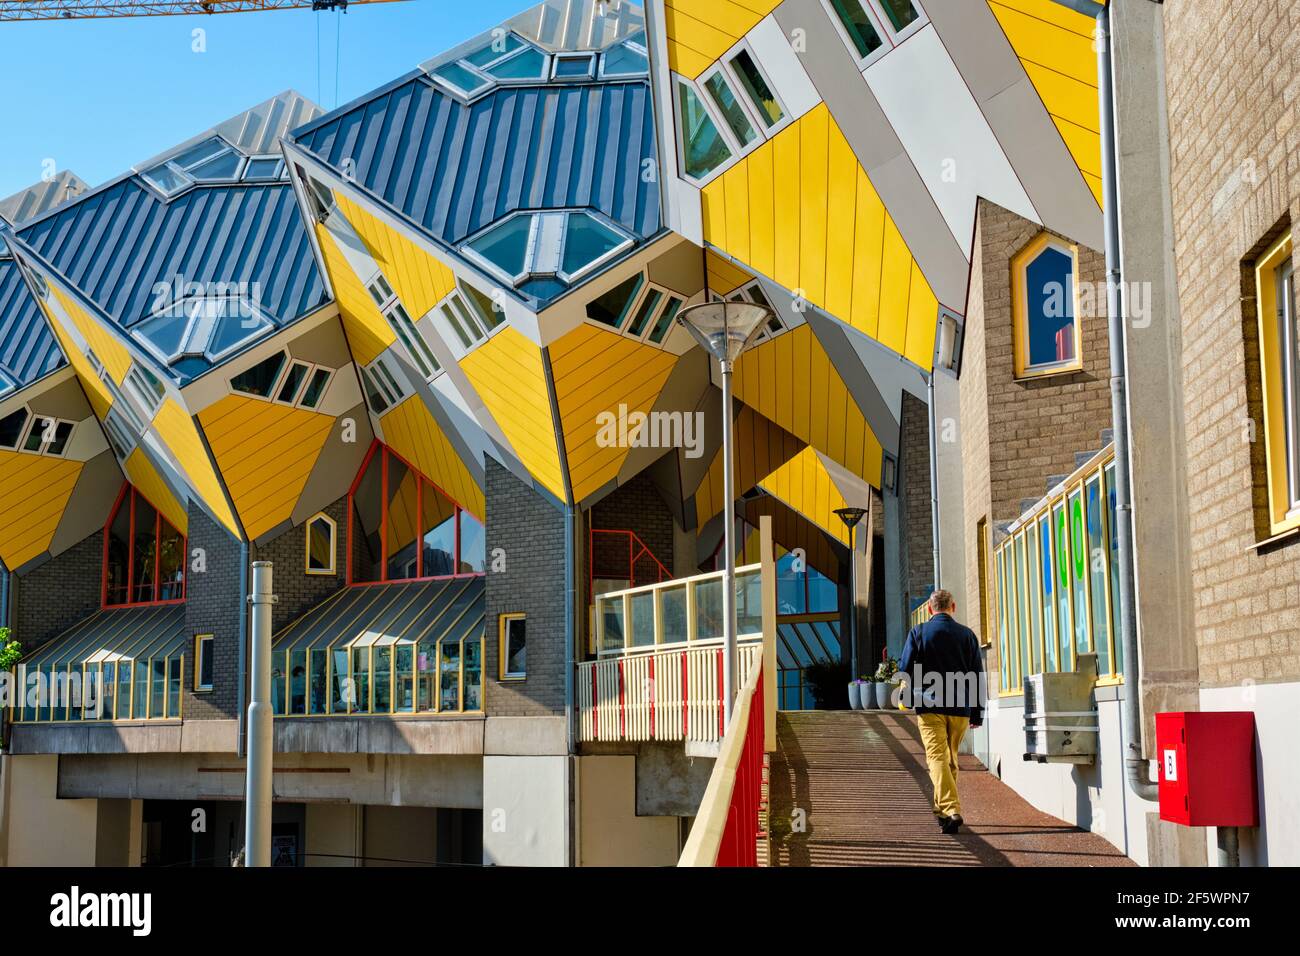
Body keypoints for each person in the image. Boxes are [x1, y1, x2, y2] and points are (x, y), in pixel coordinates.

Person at [898, 589, 984, 834]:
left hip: (930, 705)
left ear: (929, 609)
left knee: (937, 758)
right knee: (950, 760)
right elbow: (977, 675)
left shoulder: (919, 632)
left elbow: (904, 667)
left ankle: (951, 808)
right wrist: (978, 713)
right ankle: (944, 815)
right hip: (960, 708)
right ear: (953, 607)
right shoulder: (967, 635)